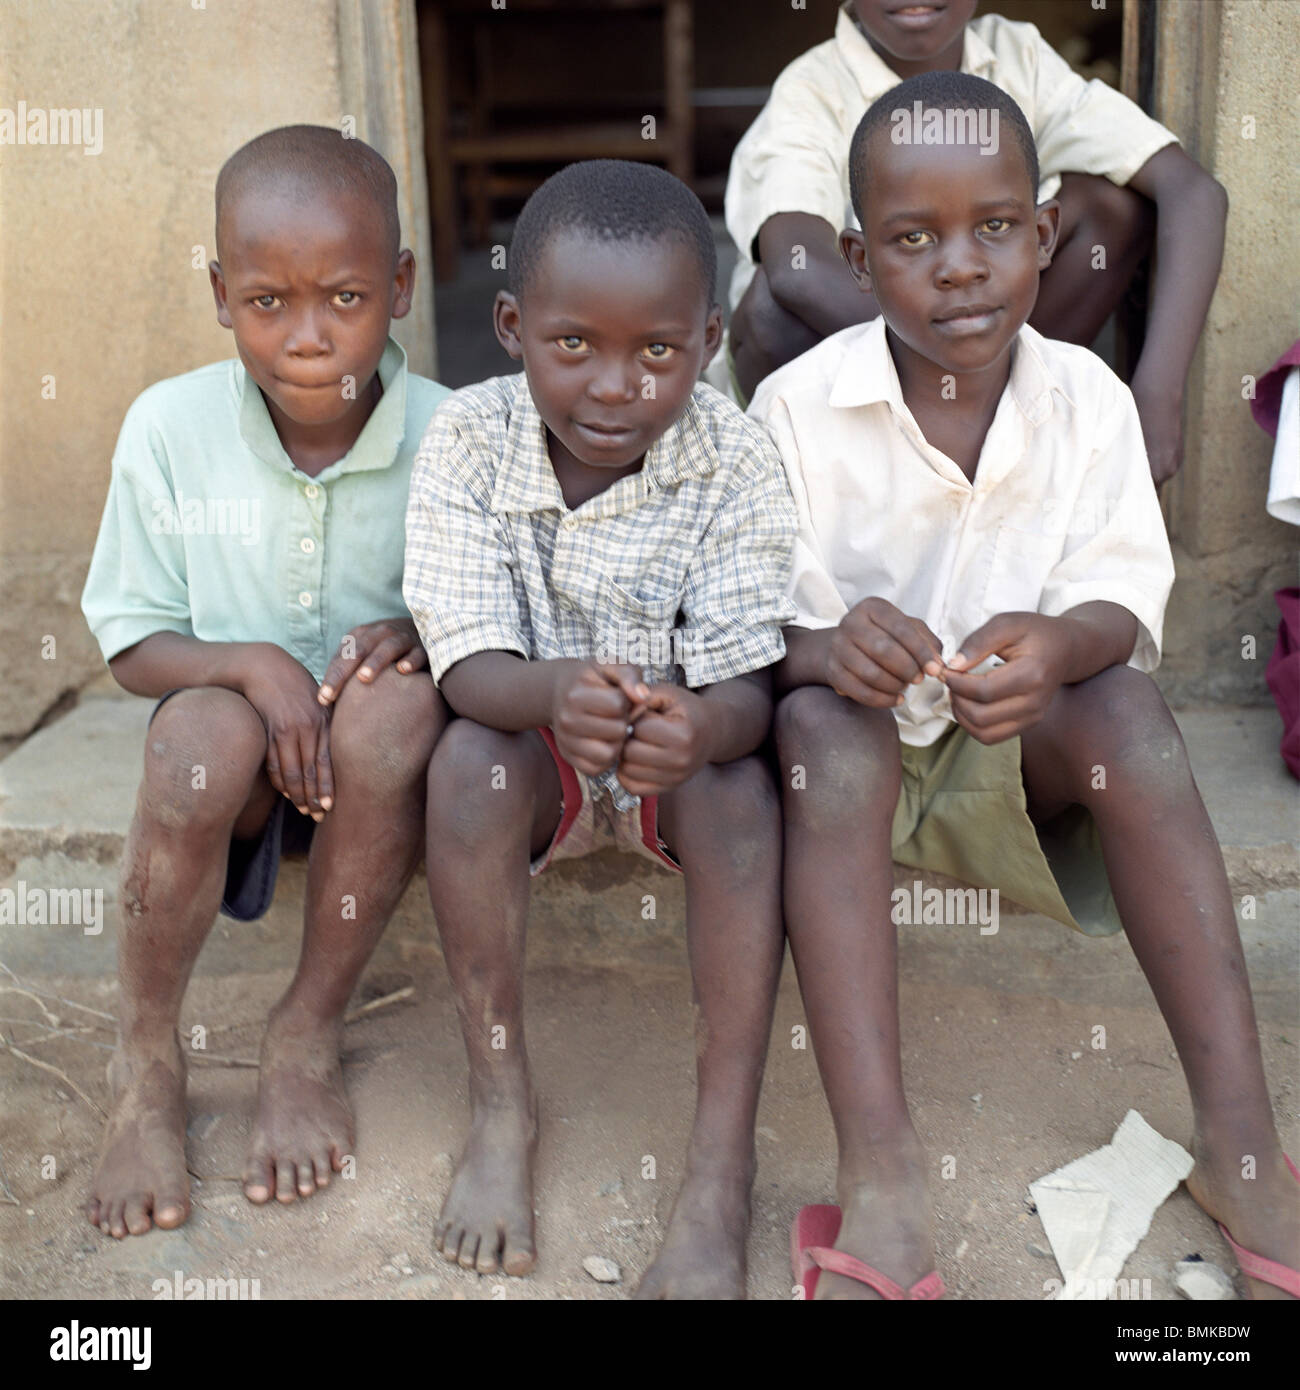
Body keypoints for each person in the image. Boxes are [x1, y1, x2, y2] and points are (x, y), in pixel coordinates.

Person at [754, 73, 1298, 1300]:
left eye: (995, 228)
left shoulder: (1086, 402)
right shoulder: (792, 411)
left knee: (1128, 713)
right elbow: (745, 630)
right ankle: (883, 1179)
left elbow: (1119, 599)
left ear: (1045, 236)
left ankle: (1244, 1145)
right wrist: (825, 649)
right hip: (848, 778)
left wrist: (1060, 649)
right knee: (820, 730)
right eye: (911, 239)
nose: (959, 266)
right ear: (855, 255)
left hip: (1016, 767)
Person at [404, 159, 797, 1297]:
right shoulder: (471, 442)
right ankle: (498, 1102)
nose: (615, 385)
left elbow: (752, 684)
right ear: (513, 326)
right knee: (467, 765)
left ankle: (718, 1166)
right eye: (574, 344)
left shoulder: (733, 458)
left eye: (658, 352)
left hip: (678, 771)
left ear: (711, 340)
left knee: (741, 791)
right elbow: (470, 666)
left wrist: (708, 726)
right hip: (536, 762)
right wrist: (548, 694)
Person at [80, 125, 451, 1238]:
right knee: (198, 737)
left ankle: (305, 1028)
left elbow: (500, 629)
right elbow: (133, 641)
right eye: (265, 302)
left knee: (400, 711)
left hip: (373, 784)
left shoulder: (455, 437)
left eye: (343, 297)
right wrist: (250, 665)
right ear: (218, 293)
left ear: (400, 284)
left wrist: (429, 634)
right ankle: (146, 1057)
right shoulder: (170, 429)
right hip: (235, 774)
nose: (305, 337)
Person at [726, 0, 1227, 483]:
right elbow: (797, 265)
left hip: (991, 337)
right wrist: (951, 364)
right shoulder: (812, 89)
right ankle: (858, 472)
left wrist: (1157, 393)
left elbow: (1193, 192)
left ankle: (1018, 420)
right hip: (863, 361)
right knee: (770, 307)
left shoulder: (1018, 57)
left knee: (1113, 205)